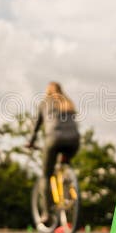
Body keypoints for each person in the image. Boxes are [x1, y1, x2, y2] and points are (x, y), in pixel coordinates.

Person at [28, 82, 80, 219]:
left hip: (54, 140)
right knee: (64, 163)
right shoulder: (68, 102)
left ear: (48, 91)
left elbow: (36, 127)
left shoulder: (45, 103)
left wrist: (31, 142)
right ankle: (68, 184)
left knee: (46, 176)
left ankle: (46, 213)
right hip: (74, 141)